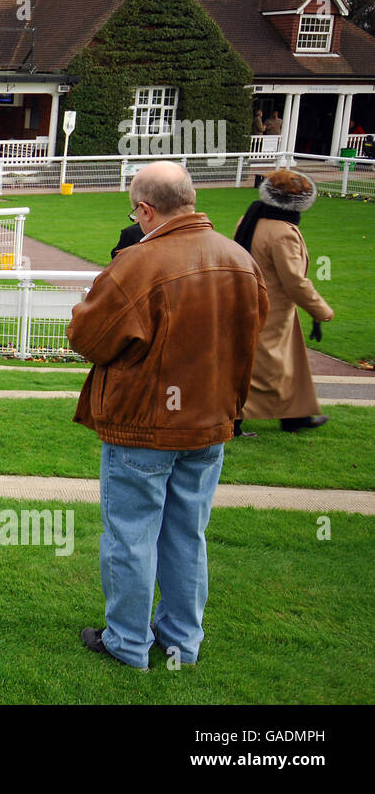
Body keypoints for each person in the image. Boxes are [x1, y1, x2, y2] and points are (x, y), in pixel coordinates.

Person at [67, 161, 267, 671]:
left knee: (131, 534)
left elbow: (88, 339)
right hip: (209, 419)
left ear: (147, 209)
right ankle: (181, 642)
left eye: (135, 209)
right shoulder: (239, 259)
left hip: (146, 423)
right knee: (186, 533)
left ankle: (129, 643)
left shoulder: (140, 263)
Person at [233, 170, 334, 434]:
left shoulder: (250, 219)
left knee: (282, 364)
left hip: (250, 301)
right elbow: (294, 281)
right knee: (265, 368)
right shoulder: (283, 233)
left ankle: (295, 417)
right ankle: (235, 419)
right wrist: (321, 309)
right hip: (273, 307)